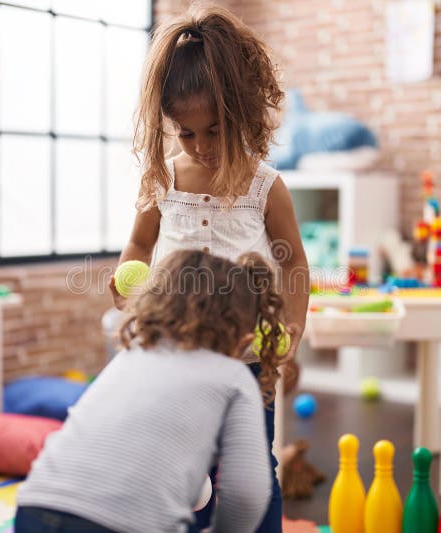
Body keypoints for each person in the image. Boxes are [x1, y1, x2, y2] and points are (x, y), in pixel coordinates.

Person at [110, 5, 309, 531]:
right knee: (178, 465)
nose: (201, 146)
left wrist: (290, 329)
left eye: (216, 131)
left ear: (242, 115)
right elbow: (138, 243)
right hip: (174, 351)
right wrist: (129, 281)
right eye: (187, 133)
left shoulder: (265, 187)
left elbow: (293, 266)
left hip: (245, 357)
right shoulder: (161, 179)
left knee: (247, 466)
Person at [16, 250, 285, 533]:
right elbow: (246, 492)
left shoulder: (132, 353)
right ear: (245, 339)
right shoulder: (235, 377)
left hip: (35, 507)